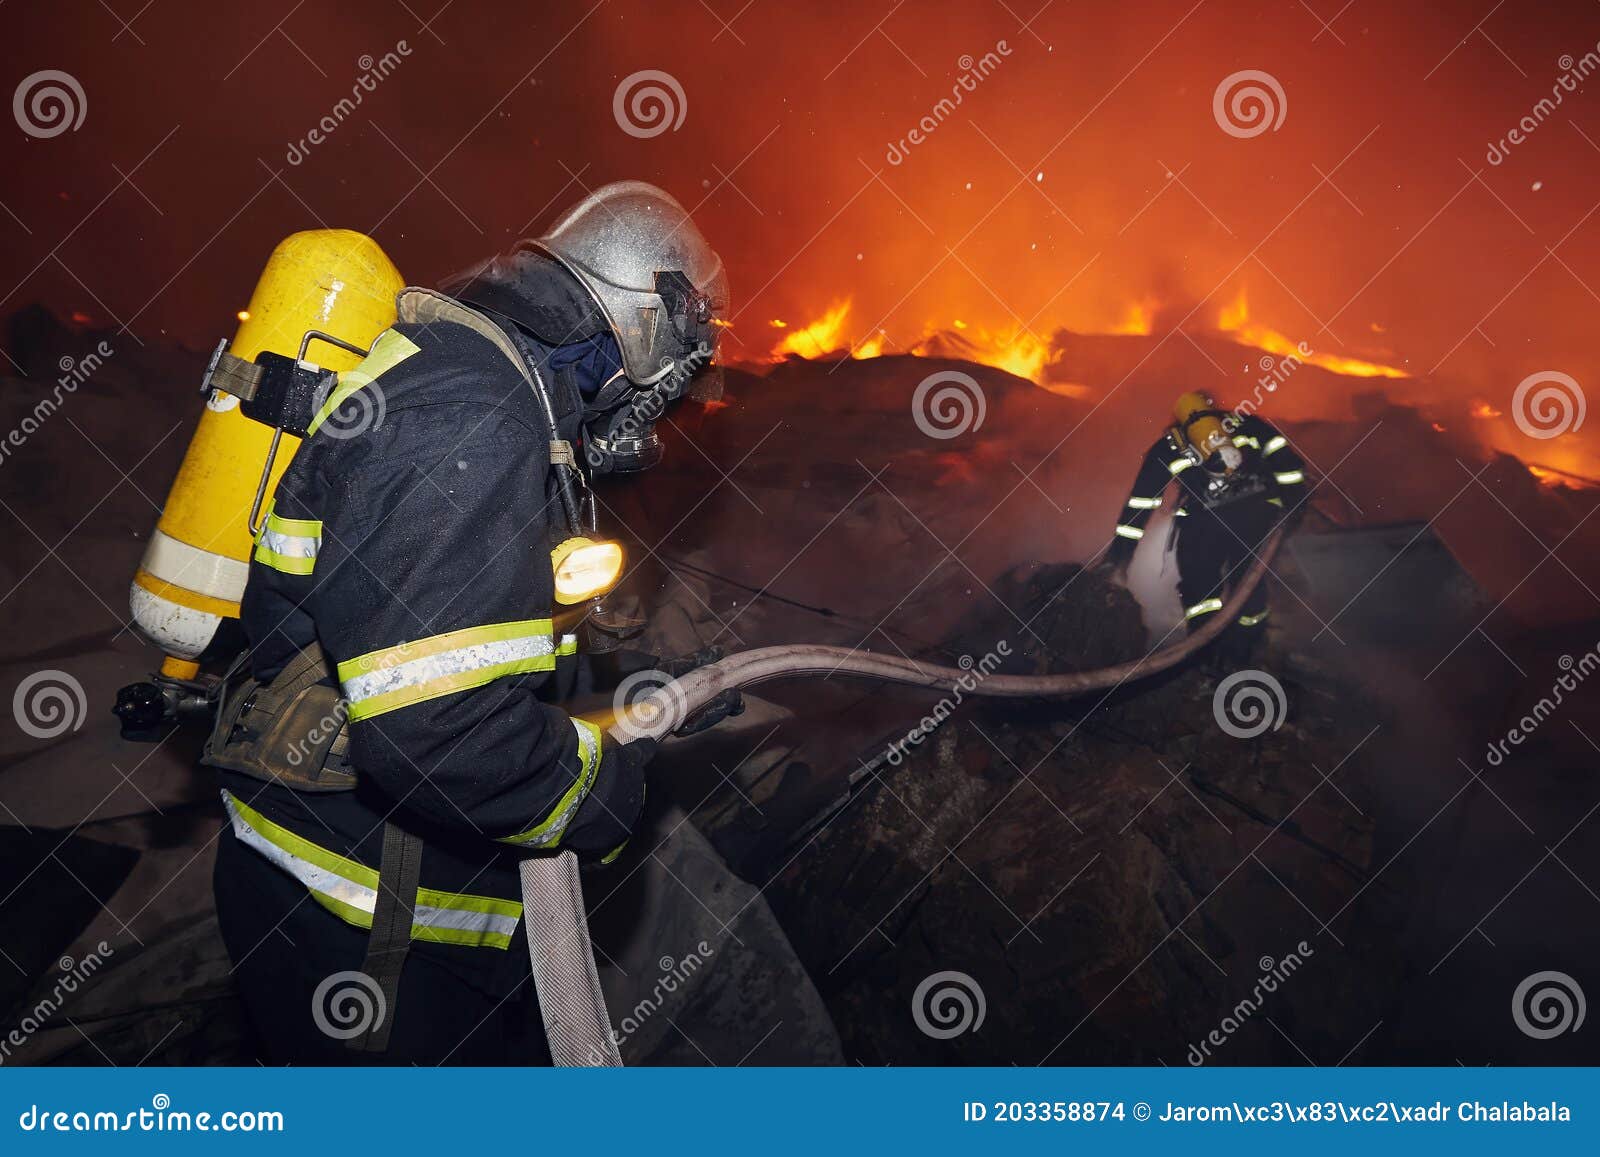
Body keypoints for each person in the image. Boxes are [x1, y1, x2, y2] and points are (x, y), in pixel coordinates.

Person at [207, 182, 738, 1064]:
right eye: (664, 387)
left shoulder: (477, 383)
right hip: (362, 927)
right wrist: (607, 787)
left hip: (395, 906)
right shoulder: (473, 411)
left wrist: (631, 687)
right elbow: (436, 731)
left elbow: (456, 637)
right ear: (642, 327)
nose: (648, 420)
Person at [1105, 391, 1306, 665]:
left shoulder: (1169, 446)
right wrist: (1293, 504)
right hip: (1255, 518)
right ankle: (1247, 650)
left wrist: (1120, 557)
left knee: (1200, 591)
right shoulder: (1246, 424)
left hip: (1202, 526)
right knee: (1249, 583)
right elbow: (1289, 467)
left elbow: (1141, 504)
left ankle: (1207, 657)